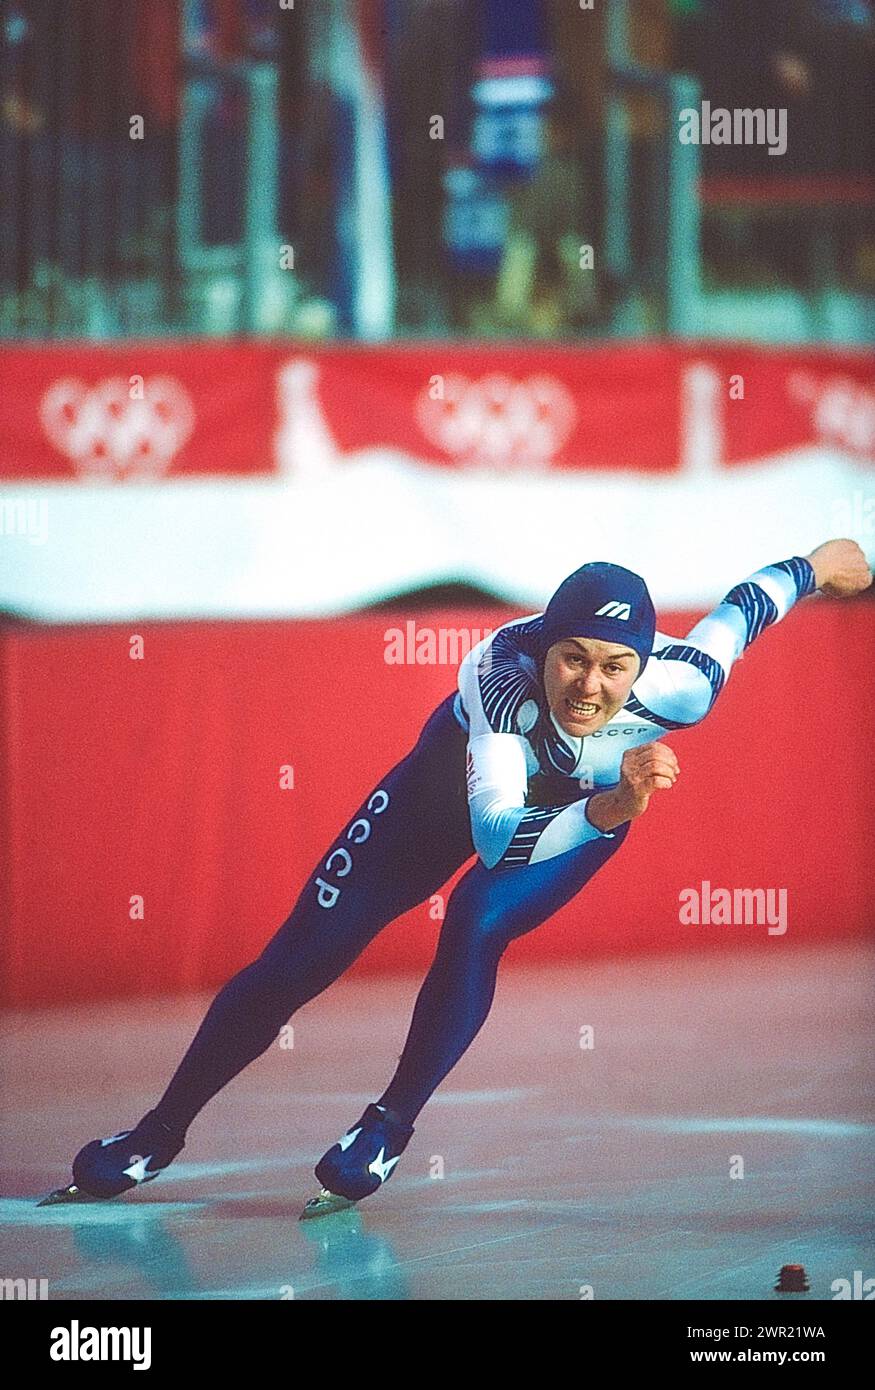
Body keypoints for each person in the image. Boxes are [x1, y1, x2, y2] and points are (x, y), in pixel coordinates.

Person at [39, 538, 872, 1216]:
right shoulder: (499, 684)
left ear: (644, 663)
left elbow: (746, 607)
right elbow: (501, 837)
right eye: (571, 659)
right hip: (453, 794)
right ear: (542, 647)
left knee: (475, 920)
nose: (588, 686)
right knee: (297, 961)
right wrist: (617, 800)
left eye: (613, 667)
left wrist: (815, 566)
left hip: (583, 815)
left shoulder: (685, 686)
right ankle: (158, 1132)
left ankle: (388, 1124)